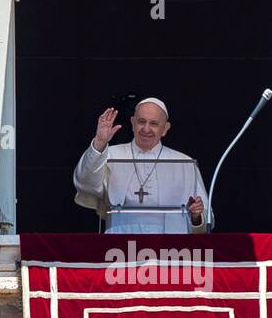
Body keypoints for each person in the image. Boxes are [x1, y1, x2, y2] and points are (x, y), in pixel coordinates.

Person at [73, 98, 208, 234]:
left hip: (170, 246)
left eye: (153, 123)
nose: (146, 129)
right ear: (132, 123)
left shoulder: (185, 163)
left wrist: (196, 215)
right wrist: (100, 142)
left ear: (165, 129)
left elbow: (206, 218)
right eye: (141, 122)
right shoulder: (110, 155)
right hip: (119, 243)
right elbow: (85, 184)